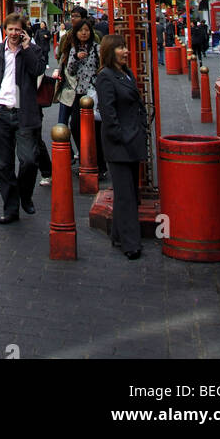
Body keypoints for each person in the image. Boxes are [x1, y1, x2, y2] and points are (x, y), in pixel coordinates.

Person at [0, 13, 44, 225]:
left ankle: (25, 195)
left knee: (29, 160)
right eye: (11, 29)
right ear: (5, 30)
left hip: (24, 113)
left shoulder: (32, 50)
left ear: (24, 31)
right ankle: (11, 207)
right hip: (1, 113)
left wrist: (26, 48)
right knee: (3, 164)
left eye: (18, 29)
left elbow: (38, 70)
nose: (14, 33)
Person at [96, 34, 148, 259]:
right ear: (110, 52)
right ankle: (130, 243)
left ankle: (118, 234)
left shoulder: (126, 74)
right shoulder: (105, 77)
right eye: (120, 48)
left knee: (128, 191)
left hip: (133, 138)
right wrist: (119, 135)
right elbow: (108, 112)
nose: (126, 51)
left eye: (126, 47)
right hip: (119, 143)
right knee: (125, 194)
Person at [63, 19, 100, 159]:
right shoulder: (74, 49)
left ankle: (97, 159)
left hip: (93, 92)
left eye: (86, 30)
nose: (84, 33)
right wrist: (76, 57)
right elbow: (70, 71)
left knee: (95, 127)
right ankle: (84, 154)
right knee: (75, 125)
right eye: (80, 30)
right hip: (78, 93)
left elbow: (102, 67)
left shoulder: (96, 48)